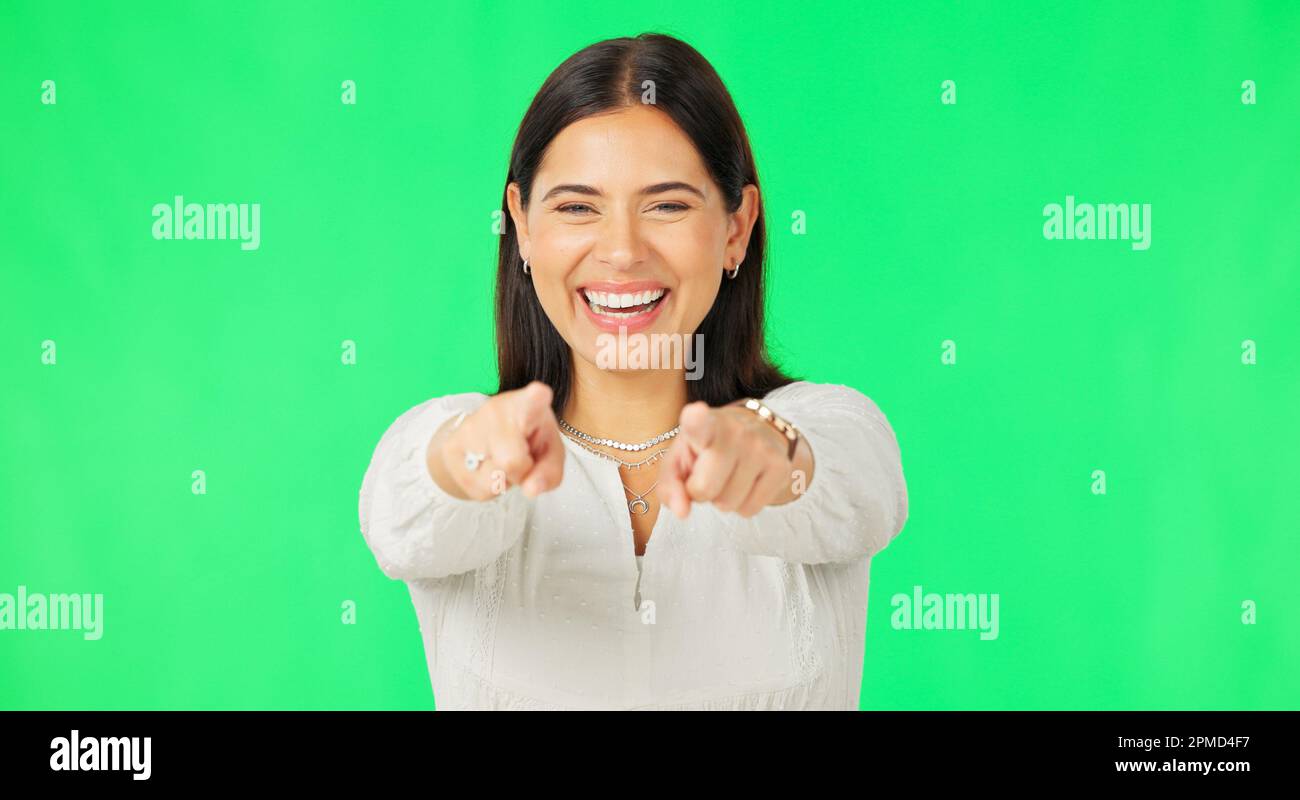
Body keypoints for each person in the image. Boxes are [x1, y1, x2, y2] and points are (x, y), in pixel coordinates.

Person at [358, 32, 908, 710]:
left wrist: (769, 447)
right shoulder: (460, 437)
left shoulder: (831, 425)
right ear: (522, 228)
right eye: (576, 207)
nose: (621, 251)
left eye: (668, 204)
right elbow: (407, 508)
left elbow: (848, 481)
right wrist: (471, 455)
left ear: (737, 228)